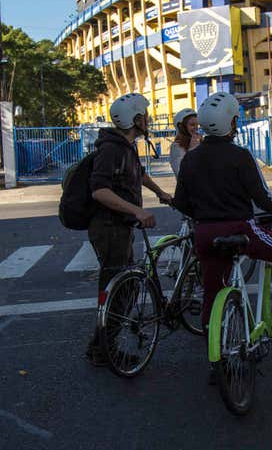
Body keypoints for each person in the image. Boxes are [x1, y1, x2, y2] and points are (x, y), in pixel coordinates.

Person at [173, 92, 272, 355]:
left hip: (204, 233)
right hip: (239, 229)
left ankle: (216, 354)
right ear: (230, 122)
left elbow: (181, 202)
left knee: (212, 292)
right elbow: (264, 199)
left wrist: (204, 214)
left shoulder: (190, 159)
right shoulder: (240, 155)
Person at [85, 93, 173, 366]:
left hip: (119, 227)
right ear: (134, 119)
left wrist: (160, 192)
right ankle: (105, 351)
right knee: (118, 291)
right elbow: (99, 190)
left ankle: (100, 346)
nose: (148, 119)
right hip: (109, 228)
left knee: (126, 286)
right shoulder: (112, 148)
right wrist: (137, 210)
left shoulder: (126, 146)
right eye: (144, 115)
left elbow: (138, 173)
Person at [169, 108, 200, 177]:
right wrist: (192, 150)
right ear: (181, 127)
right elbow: (181, 173)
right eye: (192, 125)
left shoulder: (198, 141)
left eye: (197, 125)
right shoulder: (176, 147)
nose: (196, 128)